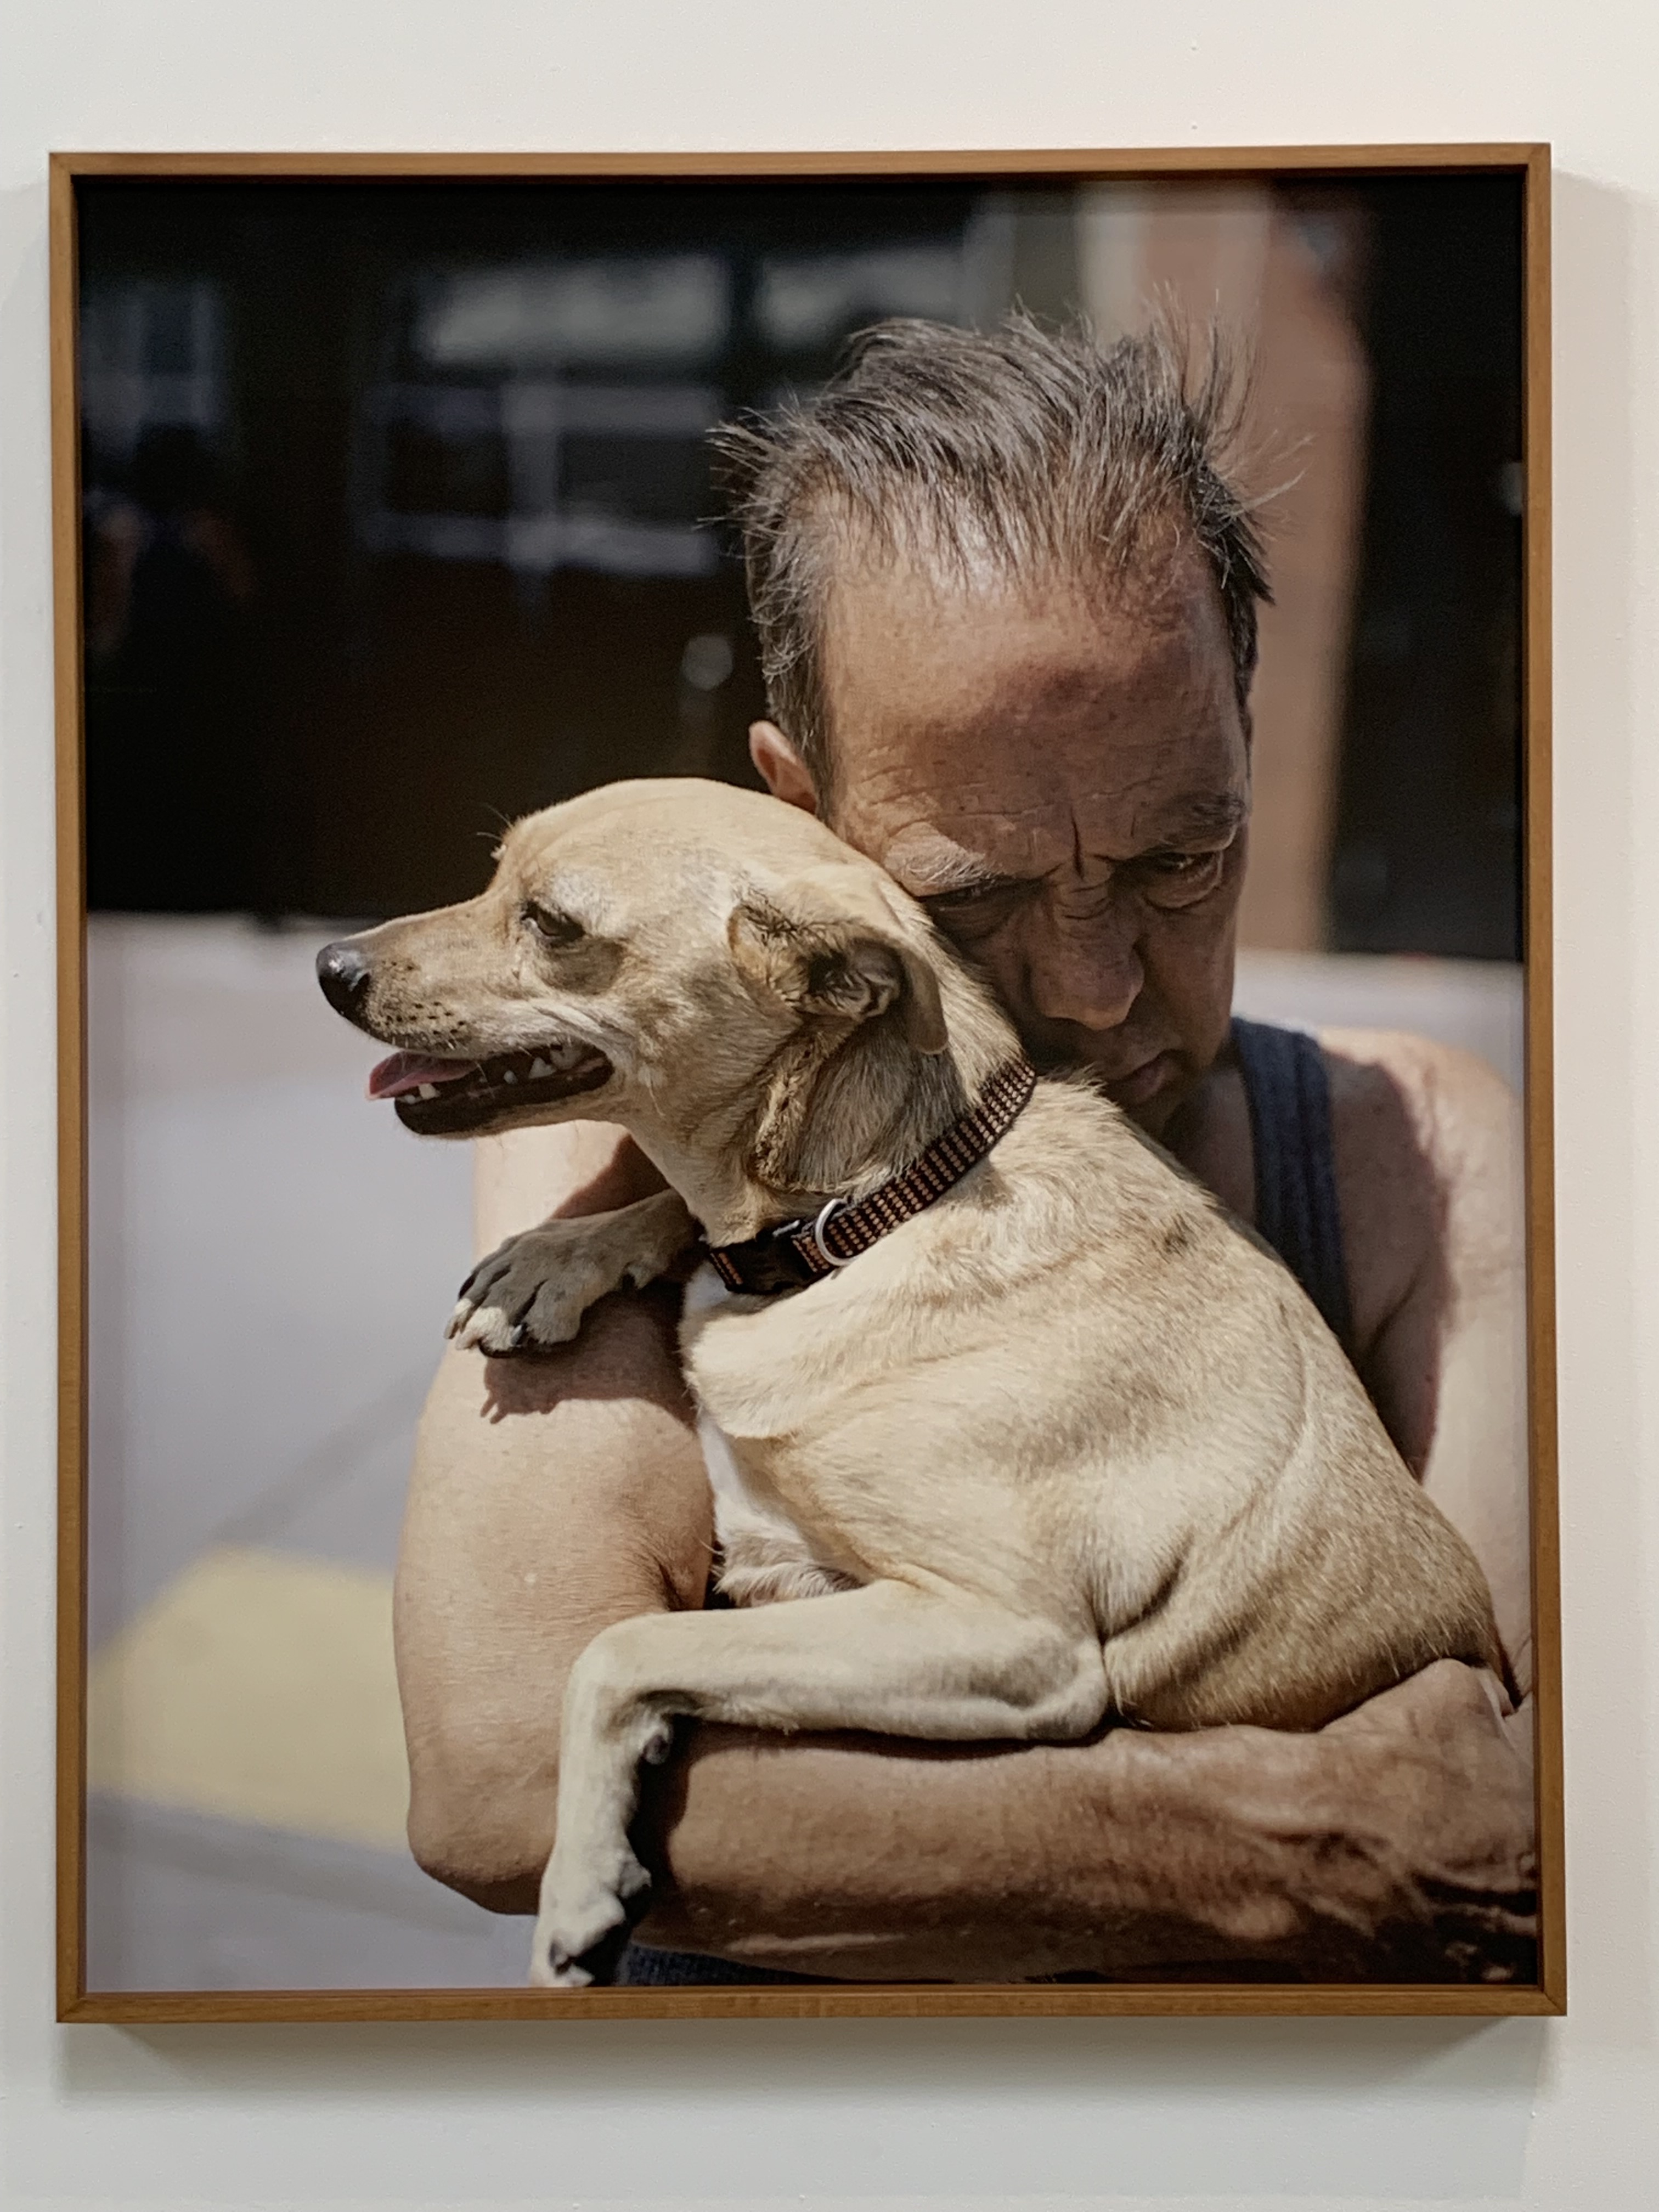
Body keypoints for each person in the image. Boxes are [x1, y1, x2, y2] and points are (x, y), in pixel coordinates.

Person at [392, 318, 1538, 1983]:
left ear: (1244, 731)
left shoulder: (1413, 1157)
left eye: (1180, 860)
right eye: (967, 897)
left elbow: (1509, 1817)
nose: (1094, 986)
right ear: (798, 819)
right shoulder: (628, 1165)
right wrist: (1274, 1835)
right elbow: (499, 1790)